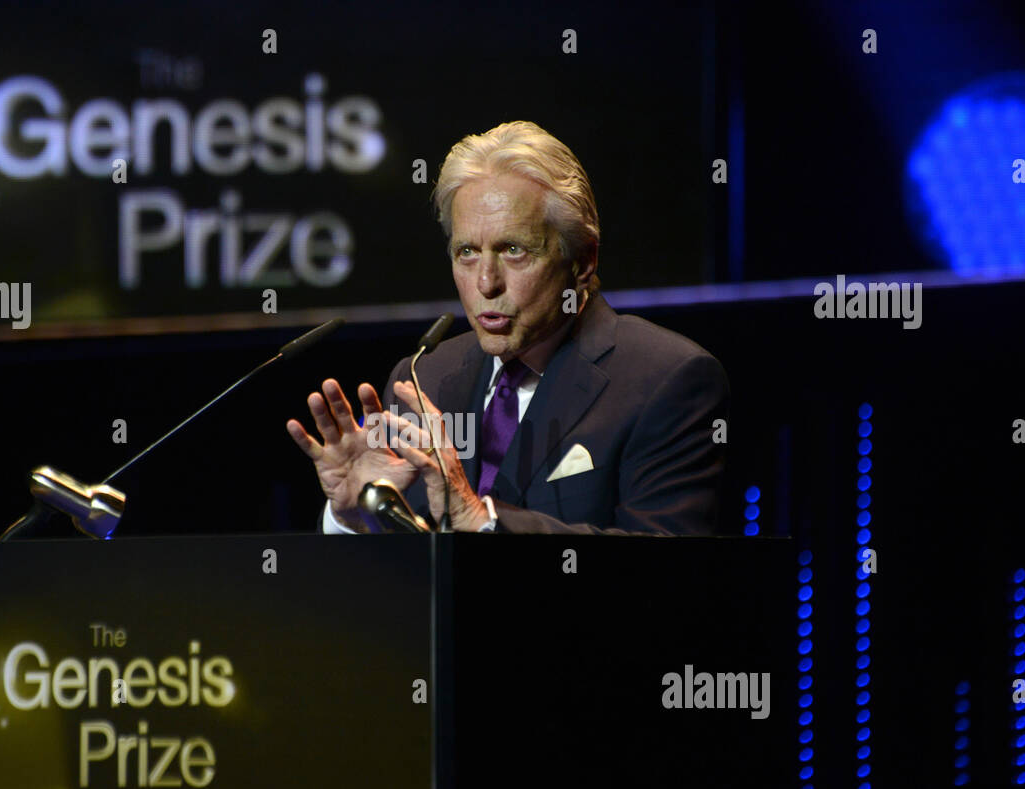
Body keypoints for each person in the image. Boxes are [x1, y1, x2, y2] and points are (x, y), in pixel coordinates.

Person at [286, 120, 729, 535]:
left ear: (583, 260)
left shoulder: (666, 380)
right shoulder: (424, 380)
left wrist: (480, 521)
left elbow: (670, 577)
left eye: (513, 249)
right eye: (466, 252)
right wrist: (355, 516)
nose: (486, 283)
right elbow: (396, 577)